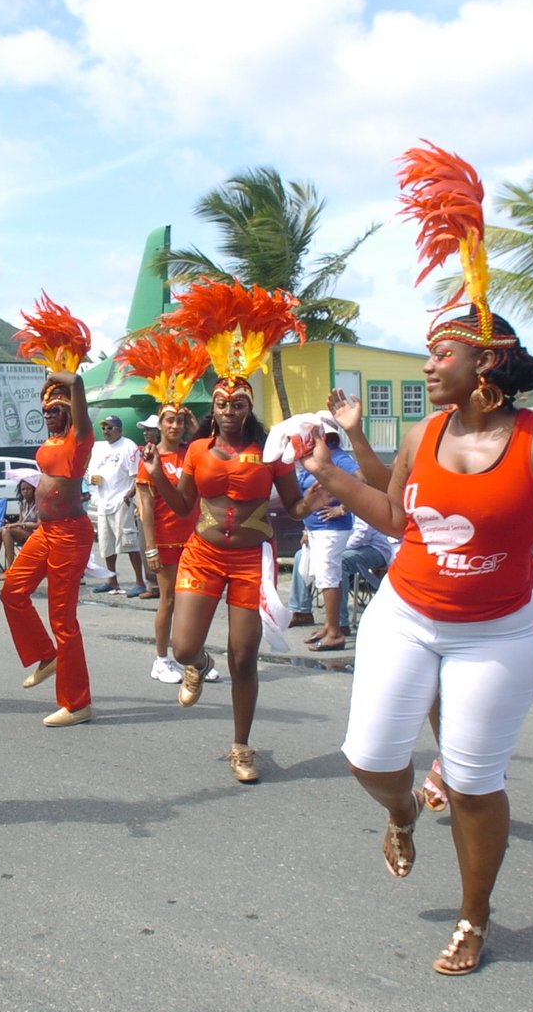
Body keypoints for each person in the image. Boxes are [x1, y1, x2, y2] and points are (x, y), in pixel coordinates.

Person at [298, 144, 533, 976]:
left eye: (440, 354)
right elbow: (394, 514)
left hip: (496, 635)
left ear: (484, 363)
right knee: (370, 759)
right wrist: (329, 473)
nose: (428, 366)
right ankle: (399, 814)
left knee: (471, 782)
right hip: (404, 616)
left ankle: (473, 914)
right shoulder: (422, 434)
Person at [142, 278, 318, 782]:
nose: (229, 410)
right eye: (222, 403)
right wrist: (156, 476)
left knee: (244, 659)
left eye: (238, 404)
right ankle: (196, 665)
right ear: (213, 408)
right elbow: (181, 503)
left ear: (248, 408)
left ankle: (242, 746)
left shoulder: (271, 451)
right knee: (181, 648)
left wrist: (319, 495)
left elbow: (294, 507)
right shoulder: (197, 451)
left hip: (249, 562)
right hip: (202, 554)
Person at [1, 293, 98, 726]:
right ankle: (46, 656)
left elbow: (76, 385)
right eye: (46, 411)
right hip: (45, 530)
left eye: (56, 410)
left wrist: (55, 375)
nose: (50, 415)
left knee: (64, 616)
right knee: (12, 591)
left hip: (71, 533)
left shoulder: (81, 440)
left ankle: (77, 703)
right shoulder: (52, 443)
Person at [117, 332, 207, 681]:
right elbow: (145, 505)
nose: (175, 425)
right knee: (168, 600)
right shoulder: (150, 458)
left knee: (194, 600)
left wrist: (185, 409)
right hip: (166, 540)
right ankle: (160, 659)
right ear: (160, 424)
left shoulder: (192, 454)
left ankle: (193, 659)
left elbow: (203, 442)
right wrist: (150, 547)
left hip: (195, 538)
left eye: (180, 420)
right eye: (169, 420)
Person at [296, 432, 360, 651]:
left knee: (328, 577)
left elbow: (361, 481)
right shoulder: (317, 458)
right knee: (326, 577)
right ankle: (329, 625)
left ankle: (334, 633)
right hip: (316, 529)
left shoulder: (337, 458)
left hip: (331, 529)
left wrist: (342, 508)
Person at [86, 414, 146, 597]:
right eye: (104, 428)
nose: (106, 431)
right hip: (103, 501)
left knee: (128, 542)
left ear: (119, 430)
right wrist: (93, 480)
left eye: (110, 428)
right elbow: (92, 472)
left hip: (122, 500)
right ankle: (111, 580)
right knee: (106, 543)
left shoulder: (128, 446)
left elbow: (138, 475)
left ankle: (139, 582)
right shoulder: (98, 448)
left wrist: (129, 495)